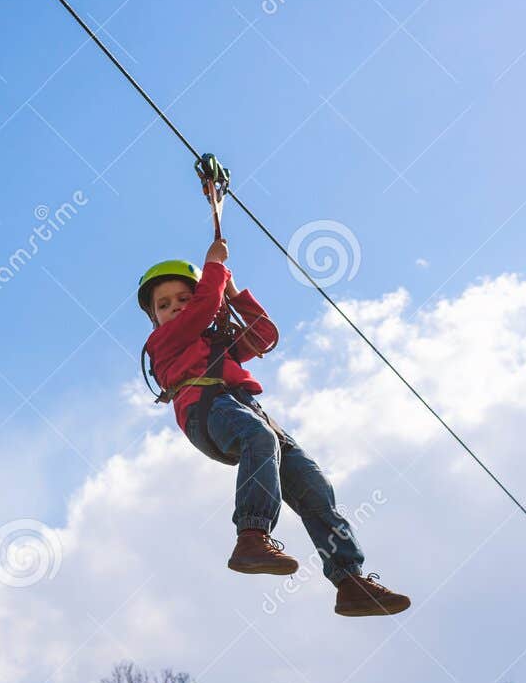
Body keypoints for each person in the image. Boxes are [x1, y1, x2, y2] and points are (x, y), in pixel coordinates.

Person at [138, 235, 411, 617]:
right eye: (164, 305)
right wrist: (214, 265)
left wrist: (231, 290)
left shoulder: (215, 341)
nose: (176, 309)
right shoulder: (163, 341)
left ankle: (350, 580)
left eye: (184, 299)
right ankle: (251, 536)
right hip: (206, 408)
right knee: (258, 436)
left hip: (245, 407)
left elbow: (264, 334)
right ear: (155, 318)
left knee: (314, 484)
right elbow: (202, 311)